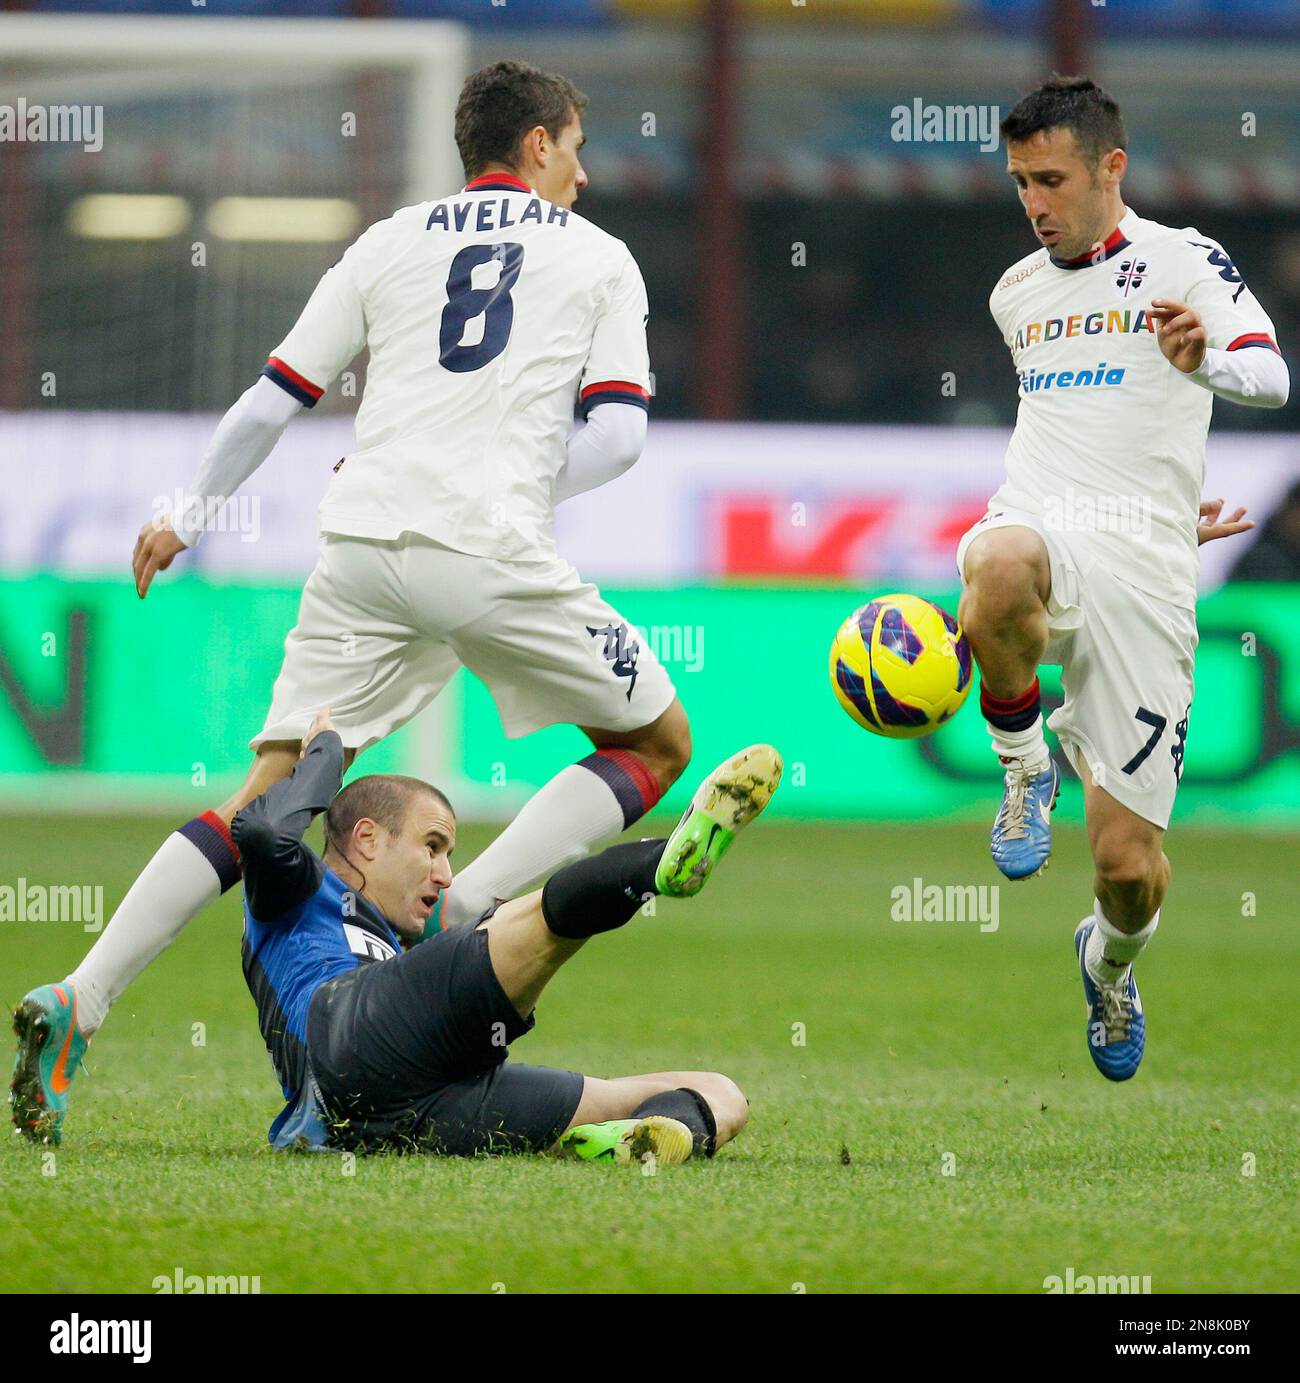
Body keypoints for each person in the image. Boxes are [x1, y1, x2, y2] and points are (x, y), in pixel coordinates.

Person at [12, 60, 695, 1142]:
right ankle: (466, 904)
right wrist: (513, 482)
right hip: (488, 544)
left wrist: (186, 514)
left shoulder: (385, 242)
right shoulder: (602, 259)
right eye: (573, 145)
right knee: (655, 742)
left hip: (364, 540)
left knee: (265, 795)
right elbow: (617, 435)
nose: (582, 167)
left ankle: (84, 997)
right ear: (535, 147)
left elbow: (271, 395)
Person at [956, 77, 1289, 1080]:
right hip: (1044, 531)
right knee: (996, 561)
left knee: (1126, 867)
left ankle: (1108, 961)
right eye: (1019, 182)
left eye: (1050, 179)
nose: (1034, 203)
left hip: (1145, 576)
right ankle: (1021, 768)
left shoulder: (1182, 260)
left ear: (1112, 168)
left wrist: (1204, 364)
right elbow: (1069, 433)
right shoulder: (1015, 292)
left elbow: (1269, 375)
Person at [111, 710, 772, 1160]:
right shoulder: (298, 891)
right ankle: (660, 863)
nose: (444, 871)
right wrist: (324, 751)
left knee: (720, 1092)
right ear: (367, 839)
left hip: (405, 1115)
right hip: (346, 1034)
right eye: (432, 846)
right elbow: (258, 830)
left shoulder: (401, 945)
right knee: (525, 922)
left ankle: (645, 1138)